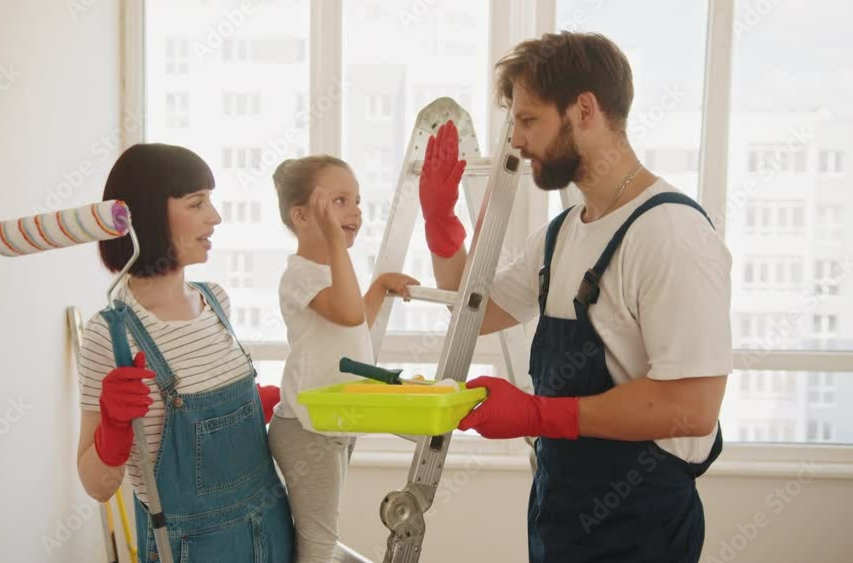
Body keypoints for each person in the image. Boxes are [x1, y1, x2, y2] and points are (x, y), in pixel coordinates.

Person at [420, 32, 731, 563]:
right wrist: (439, 221)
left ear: (584, 110)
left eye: (528, 120)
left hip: (639, 530)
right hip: (560, 517)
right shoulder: (562, 234)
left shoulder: (670, 234)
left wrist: (538, 415)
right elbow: (471, 308)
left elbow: (691, 409)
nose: (515, 141)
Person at [75, 143, 293, 562]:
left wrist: (264, 402)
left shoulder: (217, 302)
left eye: (210, 200)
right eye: (197, 203)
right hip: (190, 549)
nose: (215, 216)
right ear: (150, 215)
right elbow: (96, 485)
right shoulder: (112, 334)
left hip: (272, 527)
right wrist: (113, 430)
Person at [268, 155, 418, 562]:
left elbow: (355, 324)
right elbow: (348, 313)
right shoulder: (300, 274)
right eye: (340, 201)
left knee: (320, 535)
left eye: (357, 201)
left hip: (331, 422)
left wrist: (381, 285)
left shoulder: (332, 273)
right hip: (307, 428)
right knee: (319, 542)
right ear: (301, 215)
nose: (354, 211)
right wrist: (337, 243)